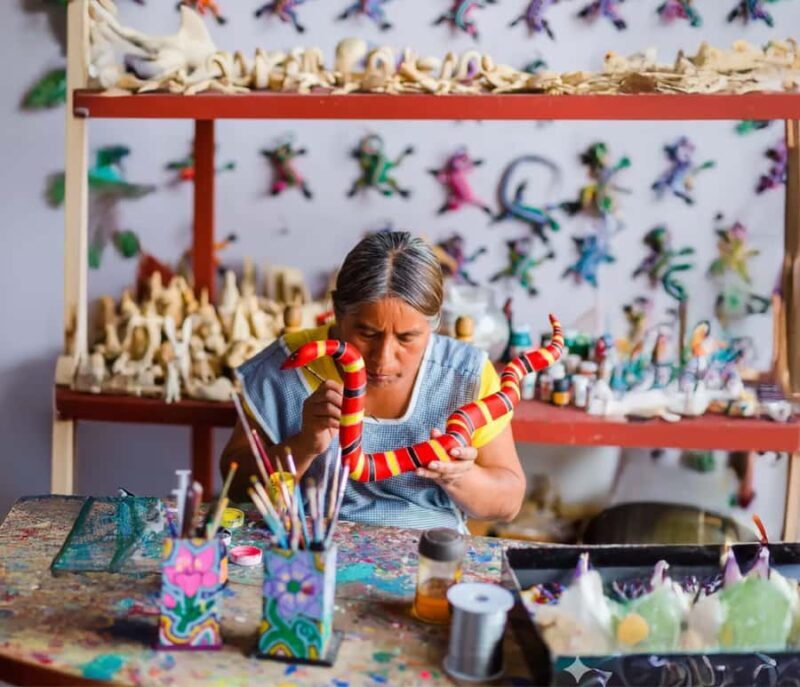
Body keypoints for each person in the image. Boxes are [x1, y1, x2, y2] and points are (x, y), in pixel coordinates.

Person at [221, 231, 525, 530]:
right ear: (337, 314)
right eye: (367, 333)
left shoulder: (466, 377)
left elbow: (508, 504)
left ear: (433, 325)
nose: (383, 358)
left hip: (428, 551)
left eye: (408, 338)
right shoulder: (285, 367)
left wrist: (459, 475)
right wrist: (304, 446)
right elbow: (236, 488)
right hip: (310, 544)